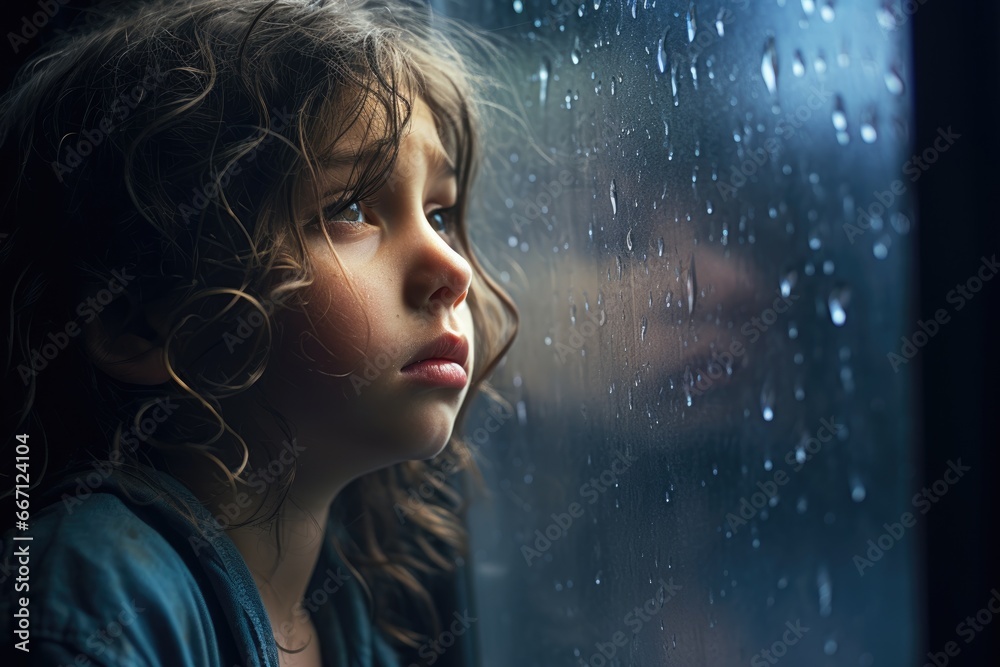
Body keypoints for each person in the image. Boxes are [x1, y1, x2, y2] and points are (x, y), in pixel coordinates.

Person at [0, 0, 519, 665]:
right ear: (141, 317)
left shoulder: (345, 618)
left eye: (440, 214)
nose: (453, 268)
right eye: (351, 207)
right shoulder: (95, 596)